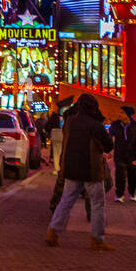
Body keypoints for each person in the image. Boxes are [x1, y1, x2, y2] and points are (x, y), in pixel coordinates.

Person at [46, 93, 114, 250]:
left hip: (71, 167)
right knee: (97, 204)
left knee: (66, 201)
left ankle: (53, 232)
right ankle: (97, 239)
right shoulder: (95, 124)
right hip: (91, 168)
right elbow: (108, 144)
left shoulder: (70, 122)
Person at [109, 106, 136, 203]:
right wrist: (108, 150)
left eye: (122, 112)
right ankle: (120, 194)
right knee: (120, 175)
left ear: (127, 115)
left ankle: (132, 193)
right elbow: (109, 137)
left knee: (133, 175)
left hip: (133, 155)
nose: (119, 114)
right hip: (119, 153)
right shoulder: (115, 125)